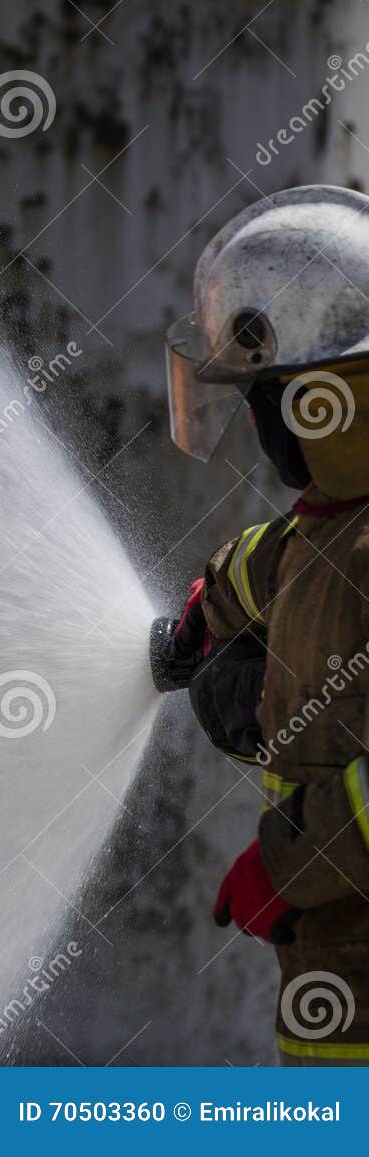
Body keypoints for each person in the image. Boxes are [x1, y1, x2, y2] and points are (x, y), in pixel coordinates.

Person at [165, 185, 369, 1063]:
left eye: (263, 401)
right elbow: (281, 560)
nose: (259, 427)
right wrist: (206, 608)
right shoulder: (334, 520)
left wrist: (283, 866)